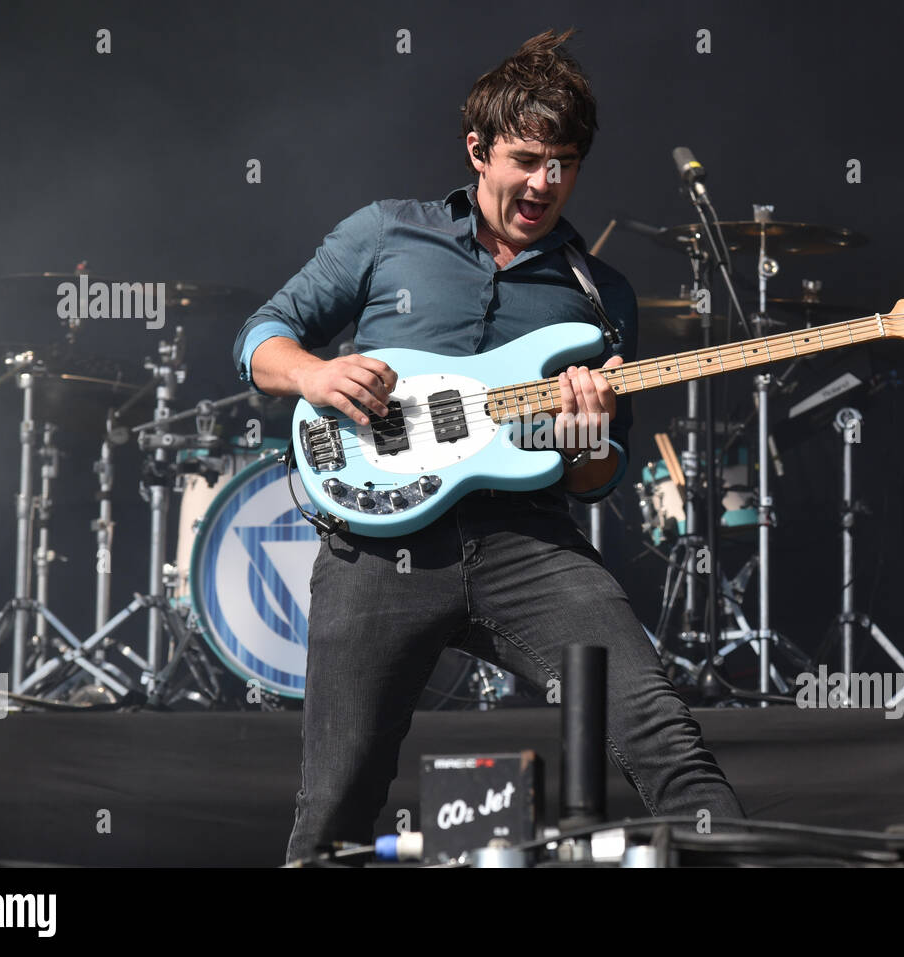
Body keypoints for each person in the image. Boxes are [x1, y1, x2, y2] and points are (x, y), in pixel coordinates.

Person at [231, 28, 745, 863]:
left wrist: (584, 437)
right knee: (335, 804)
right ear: (478, 149)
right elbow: (262, 335)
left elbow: (595, 475)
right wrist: (315, 377)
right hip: (378, 543)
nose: (546, 183)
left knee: (663, 733)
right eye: (528, 158)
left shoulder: (598, 295)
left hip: (529, 541)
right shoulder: (384, 233)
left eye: (566, 163)